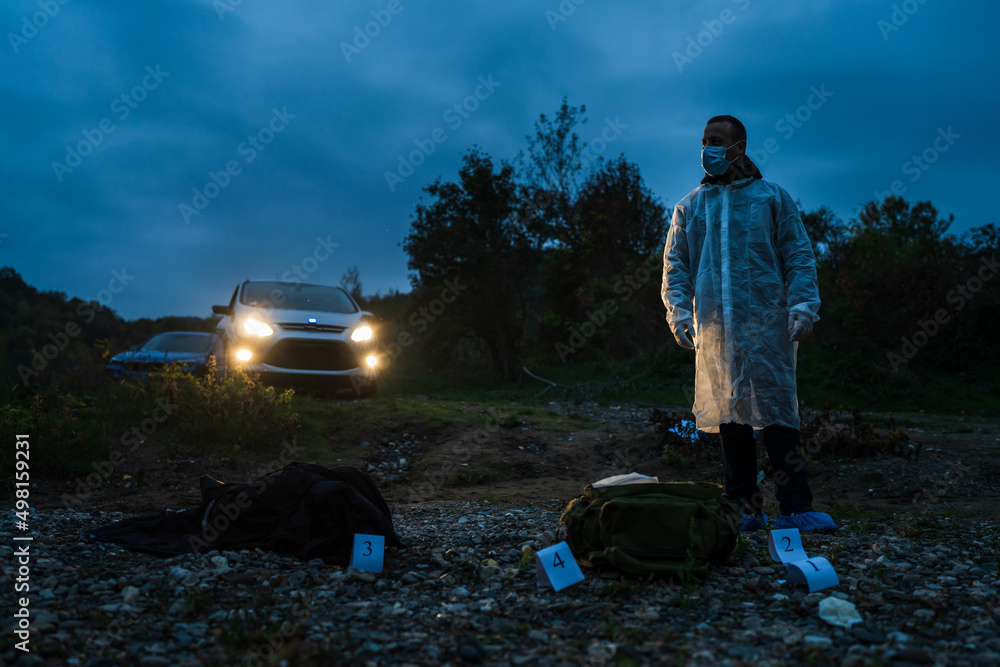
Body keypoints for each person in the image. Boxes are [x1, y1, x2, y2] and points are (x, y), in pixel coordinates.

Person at [660, 115, 836, 533]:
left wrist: (803, 305)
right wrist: (679, 312)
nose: (708, 149)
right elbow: (676, 264)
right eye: (704, 140)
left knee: (778, 412)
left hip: (768, 323)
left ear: (739, 148)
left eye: (717, 141)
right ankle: (745, 507)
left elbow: (798, 253)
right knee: (730, 415)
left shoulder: (771, 198)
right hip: (718, 330)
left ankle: (796, 507)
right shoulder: (691, 206)